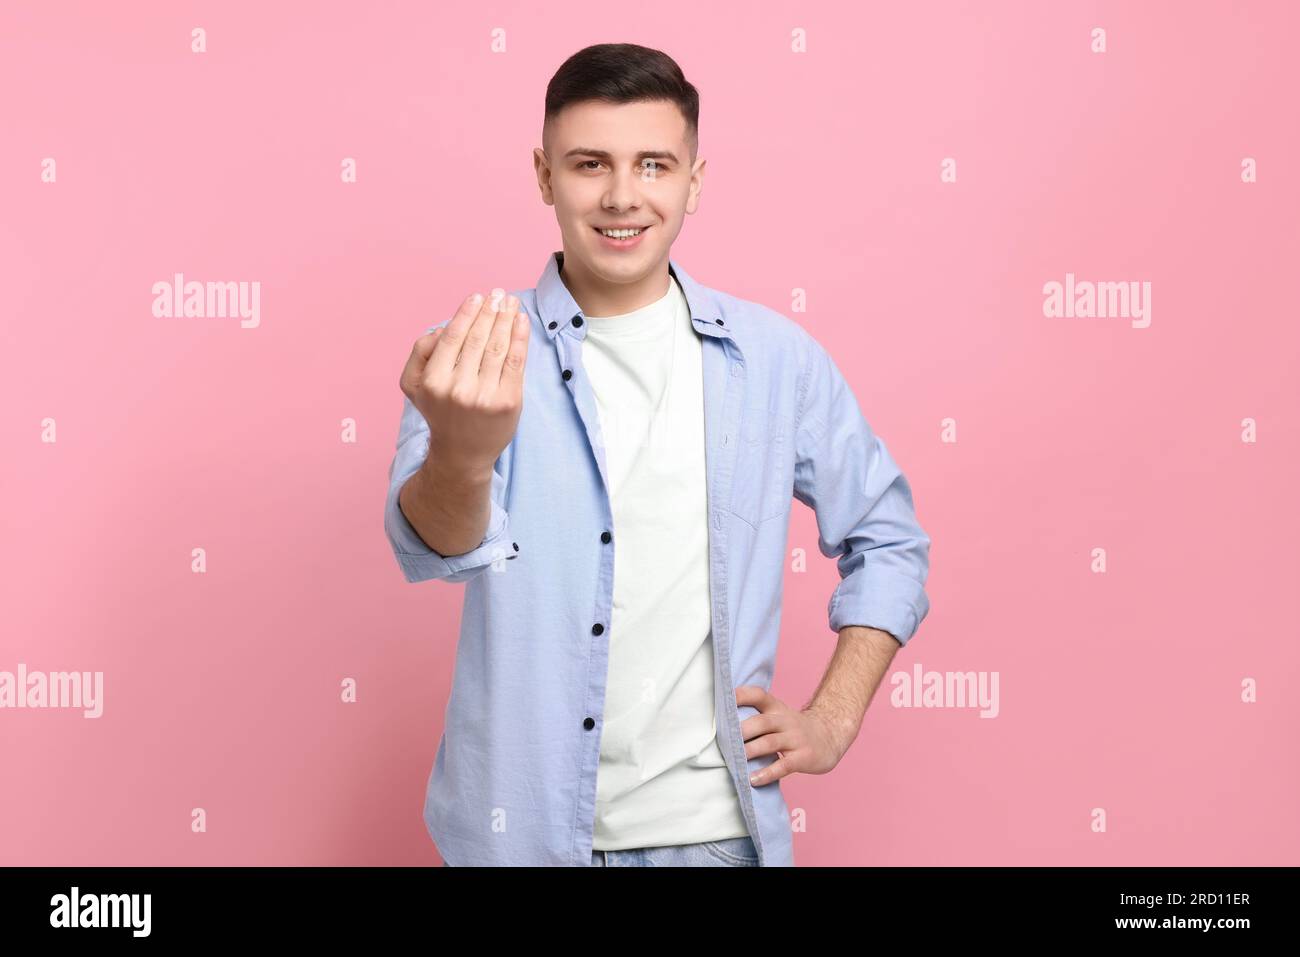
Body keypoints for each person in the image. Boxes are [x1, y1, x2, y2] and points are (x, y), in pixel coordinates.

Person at [385, 43, 931, 867]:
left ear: (694, 181)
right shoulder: (474, 353)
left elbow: (889, 538)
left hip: (712, 840)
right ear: (543, 175)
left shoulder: (777, 360)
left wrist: (833, 717)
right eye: (589, 163)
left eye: (654, 164)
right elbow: (431, 549)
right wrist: (463, 455)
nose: (622, 195)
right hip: (519, 840)